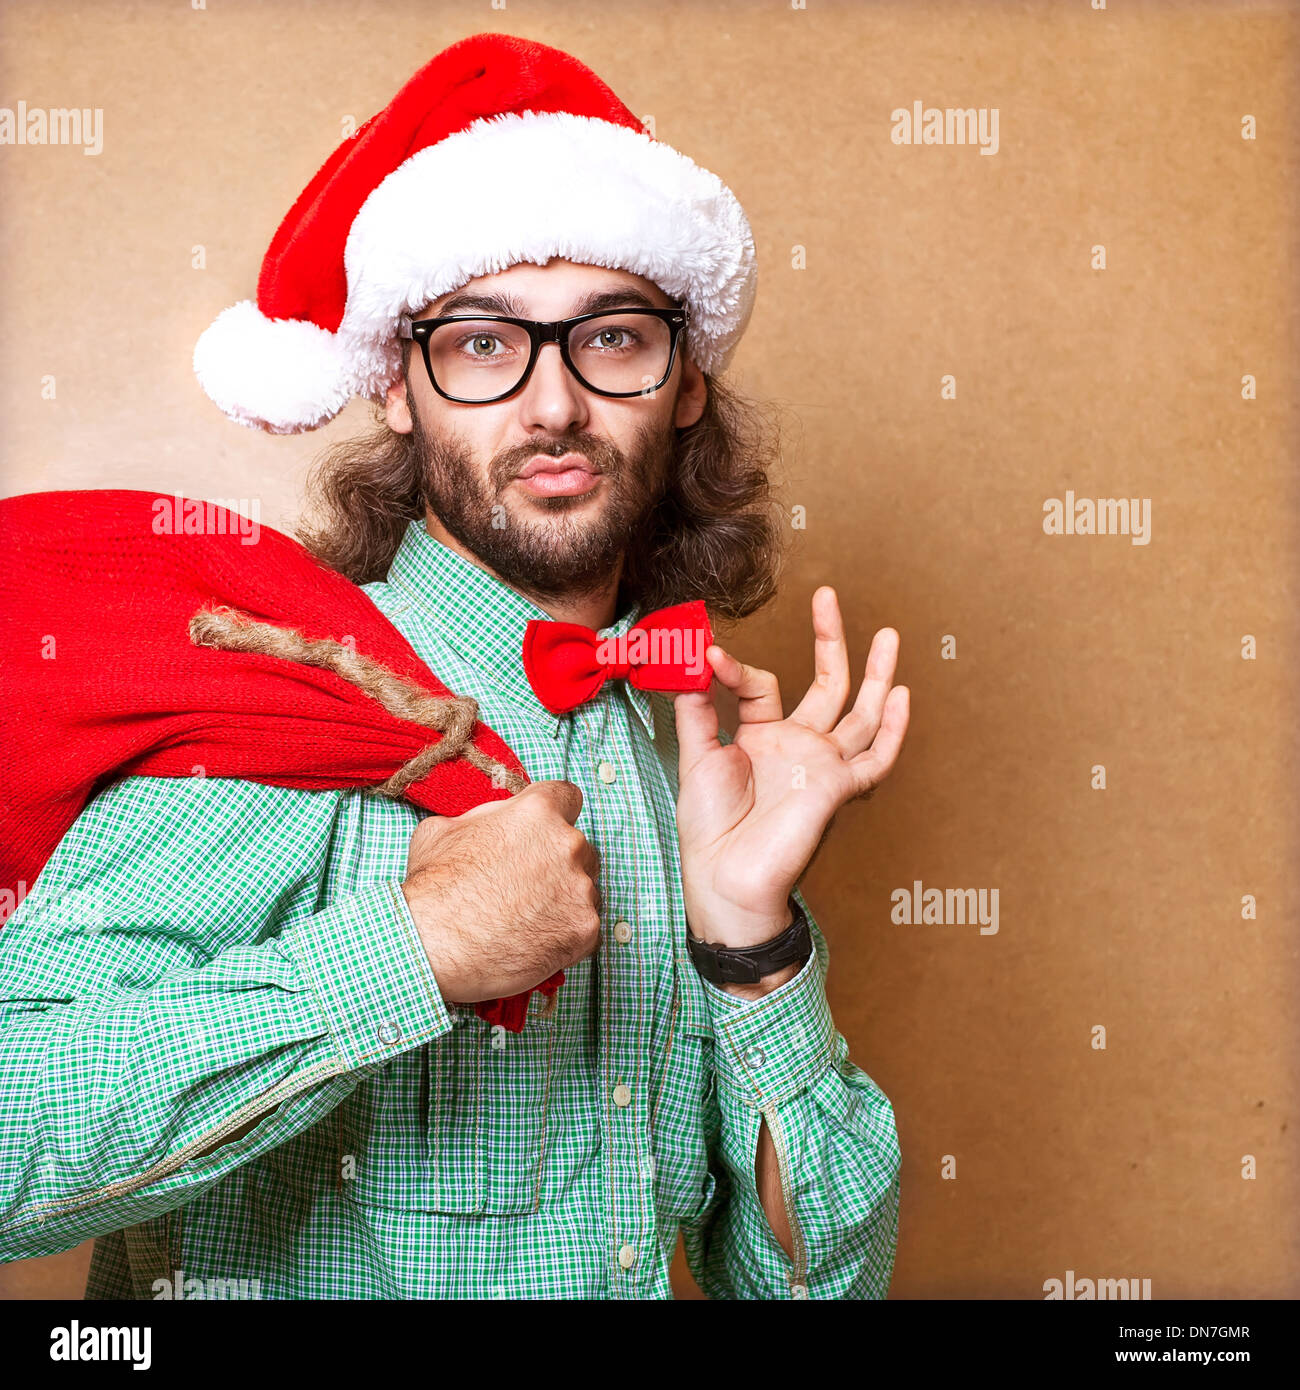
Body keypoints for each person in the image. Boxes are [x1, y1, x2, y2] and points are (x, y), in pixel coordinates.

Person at [0, 32, 909, 1300]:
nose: (551, 405)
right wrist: (415, 948)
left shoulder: (679, 749)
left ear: (684, 380)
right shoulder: (293, 688)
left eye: (612, 338)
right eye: (483, 344)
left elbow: (805, 1287)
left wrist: (750, 944)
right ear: (395, 386)